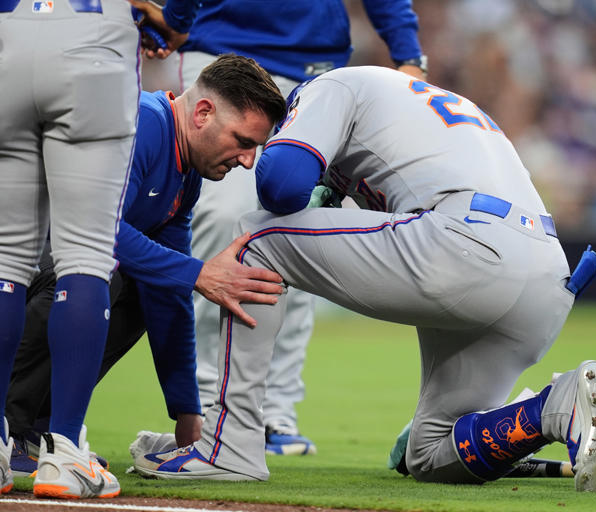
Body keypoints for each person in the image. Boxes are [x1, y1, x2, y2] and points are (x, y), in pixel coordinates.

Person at [131, 66, 596, 491]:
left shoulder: (330, 87)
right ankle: (550, 410)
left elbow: (282, 181)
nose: (251, 154)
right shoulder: (424, 106)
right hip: (546, 278)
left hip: (468, 243)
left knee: (255, 241)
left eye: (258, 141)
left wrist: (307, 182)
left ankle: (229, 445)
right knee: (429, 455)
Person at [135, 0, 428, 456]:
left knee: (301, 230)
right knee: (219, 223)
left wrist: (408, 53)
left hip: (313, 65)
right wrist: (177, 18)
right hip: (222, 48)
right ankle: (213, 403)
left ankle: (275, 410)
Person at [5, 54, 287, 482]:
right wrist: (198, 273)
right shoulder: (140, 125)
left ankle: (37, 429)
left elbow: (170, 297)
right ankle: (11, 425)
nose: (248, 161)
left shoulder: (185, 172)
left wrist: (186, 412)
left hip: (35, 271)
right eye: (243, 141)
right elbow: (95, 228)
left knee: (147, 281)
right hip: (16, 263)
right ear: (203, 113)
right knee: (100, 268)